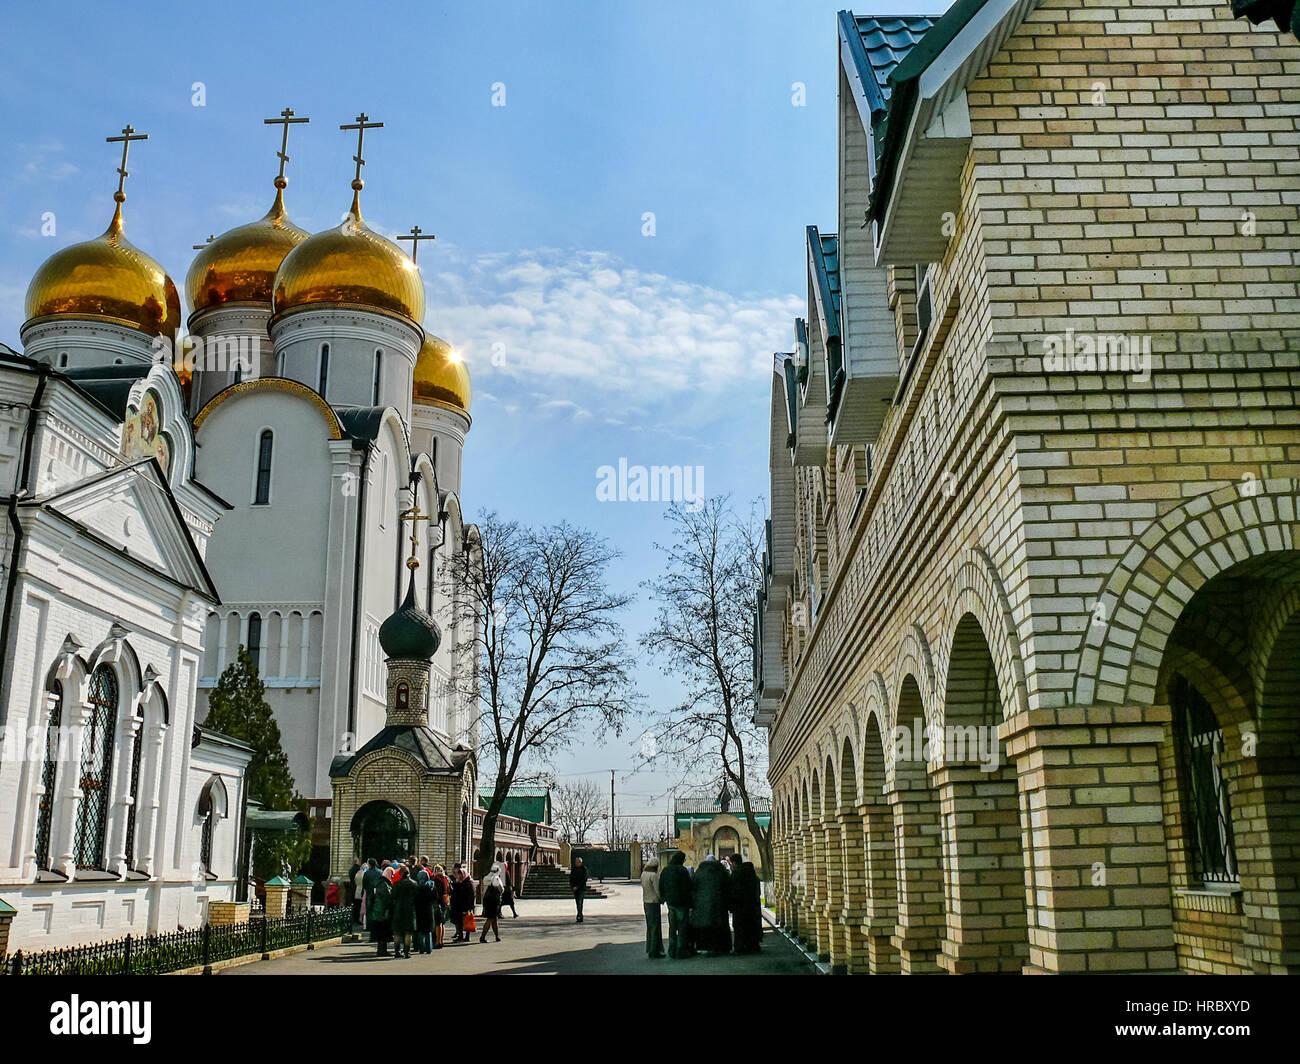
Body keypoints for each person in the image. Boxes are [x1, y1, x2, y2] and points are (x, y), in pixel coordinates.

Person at [690, 854, 730, 955]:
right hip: (719, 904)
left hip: (702, 905)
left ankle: (705, 946)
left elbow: (693, 887)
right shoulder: (721, 871)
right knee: (719, 925)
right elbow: (727, 886)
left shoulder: (699, 872)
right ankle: (721, 947)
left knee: (705, 926)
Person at [659, 851, 694, 959]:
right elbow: (688, 887)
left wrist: (664, 897)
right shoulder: (682, 870)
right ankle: (680, 950)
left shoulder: (665, 870)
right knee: (682, 927)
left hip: (671, 902)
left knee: (672, 927)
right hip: (682, 903)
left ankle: (672, 949)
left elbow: (661, 885)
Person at [727, 853, 763, 954]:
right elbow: (757, 890)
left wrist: (731, 903)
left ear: (734, 863)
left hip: (739, 905)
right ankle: (753, 945)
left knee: (739, 927)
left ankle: (739, 947)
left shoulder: (736, 874)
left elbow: (733, 890)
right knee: (751, 925)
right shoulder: (751, 874)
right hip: (752, 905)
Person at [391, 862, 418, 958]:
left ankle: (397, 951)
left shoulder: (396, 884)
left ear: (401, 874)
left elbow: (393, 897)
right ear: (409, 873)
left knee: (397, 932)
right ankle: (407, 951)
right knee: (408, 932)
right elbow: (416, 898)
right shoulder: (414, 884)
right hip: (410, 910)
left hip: (398, 910)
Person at [640, 856, 665, 958]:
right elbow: (657, 890)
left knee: (650, 927)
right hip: (654, 902)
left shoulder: (643, 874)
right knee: (655, 927)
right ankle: (655, 950)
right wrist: (662, 899)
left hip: (646, 902)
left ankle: (650, 948)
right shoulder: (653, 875)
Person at [369, 867, 394, 957]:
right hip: (382, 911)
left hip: (378, 910)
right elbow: (386, 897)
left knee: (381, 931)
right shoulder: (383, 884)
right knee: (383, 931)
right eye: (392, 874)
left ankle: (382, 949)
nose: (393, 876)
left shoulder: (379, 882)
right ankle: (382, 950)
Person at [479, 863, 504, 943]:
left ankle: (497, 936)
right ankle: (482, 937)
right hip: (493, 900)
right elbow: (501, 888)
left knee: (494, 919)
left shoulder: (486, 877)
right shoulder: (496, 878)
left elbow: (483, 889)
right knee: (490, 919)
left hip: (486, 899)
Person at [414, 865, 435, 954]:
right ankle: (429, 948)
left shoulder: (417, 887)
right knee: (428, 930)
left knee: (421, 930)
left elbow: (415, 899)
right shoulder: (432, 886)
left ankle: (421, 948)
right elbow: (435, 898)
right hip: (429, 909)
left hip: (419, 910)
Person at [452, 867, 477, 943]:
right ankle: (461, 936)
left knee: (466, 921)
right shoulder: (460, 882)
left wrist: (469, 907)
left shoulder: (468, 883)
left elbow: (471, 896)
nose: (458, 876)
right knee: (460, 922)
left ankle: (466, 936)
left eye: (460, 874)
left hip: (465, 906)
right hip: (459, 905)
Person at [431, 864, 451, 949]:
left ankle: (437, 941)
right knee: (442, 923)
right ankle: (441, 940)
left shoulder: (436, 879)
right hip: (445, 901)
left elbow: (434, 890)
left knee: (438, 923)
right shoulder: (446, 878)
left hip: (438, 901)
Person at [569, 858, 588, 923]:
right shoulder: (574, 869)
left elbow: (584, 879)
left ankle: (579, 915)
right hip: (575, 888)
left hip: (581, 888)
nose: (576, 863)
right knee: (578, 902)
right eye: (576, 862)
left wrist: (577, 886)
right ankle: (580, 914)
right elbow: (571, 878)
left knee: (580, 902)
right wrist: (572, 886)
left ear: (580, 862)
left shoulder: (584, 869)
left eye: (577, 862)